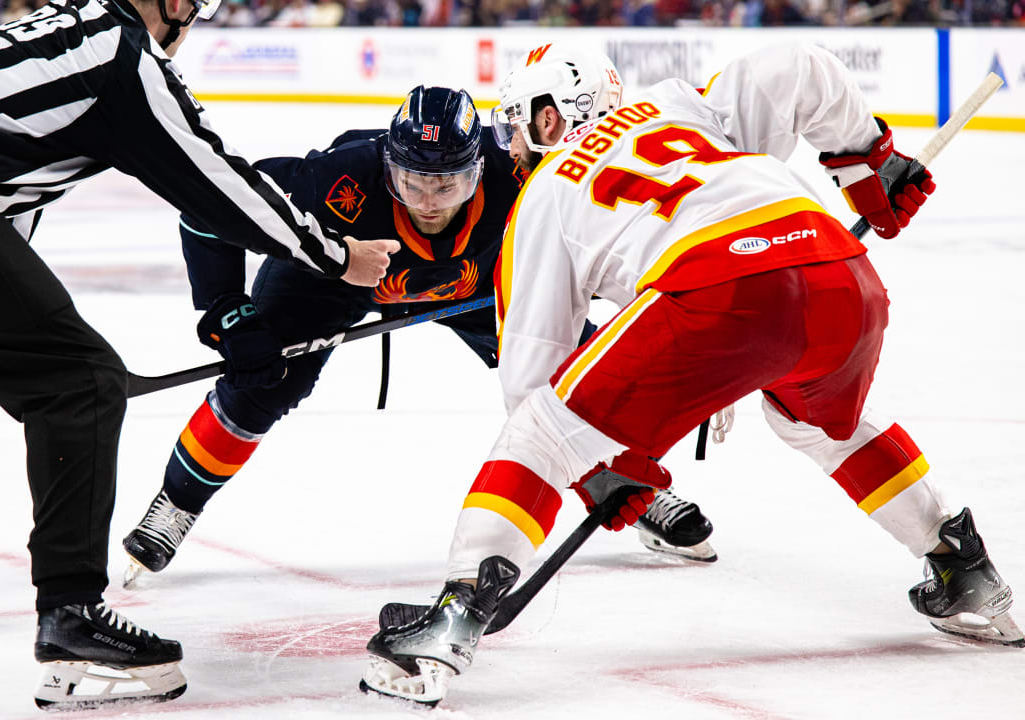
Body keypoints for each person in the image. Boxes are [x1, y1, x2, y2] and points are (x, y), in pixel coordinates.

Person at [360, 42, 1023, 706]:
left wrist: (597, 468)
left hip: (720, 286)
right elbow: (799, 69)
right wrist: (868, 160)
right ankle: (964, 567)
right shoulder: (675, 105)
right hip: (841, 274)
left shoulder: (546, 191)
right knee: (815, 422)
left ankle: (452, 619)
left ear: (551, 119)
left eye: (518, 123)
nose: (513, 145)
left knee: (540, 430)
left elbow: (532, 377)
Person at [0, 0, 396, 710]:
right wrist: (334, 256)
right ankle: (73, 618)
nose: (191, 28)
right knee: (82, 383)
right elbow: (213, 180)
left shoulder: (63, 29)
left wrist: (5, 310)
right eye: (194, 12)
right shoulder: (119, 54)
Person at [119, 85, 719, 589]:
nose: (429, 202)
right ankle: (177, 503)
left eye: (448, 185)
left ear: (478, 169)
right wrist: (227, 309)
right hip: (333, 275)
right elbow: (207, 206)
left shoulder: (521, 175)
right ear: (387, 166)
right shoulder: (336, 181)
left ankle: (619, 480)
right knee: (260, 381)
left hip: (478, 282)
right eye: (411, 182)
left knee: (575, 373)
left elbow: (612, 216)